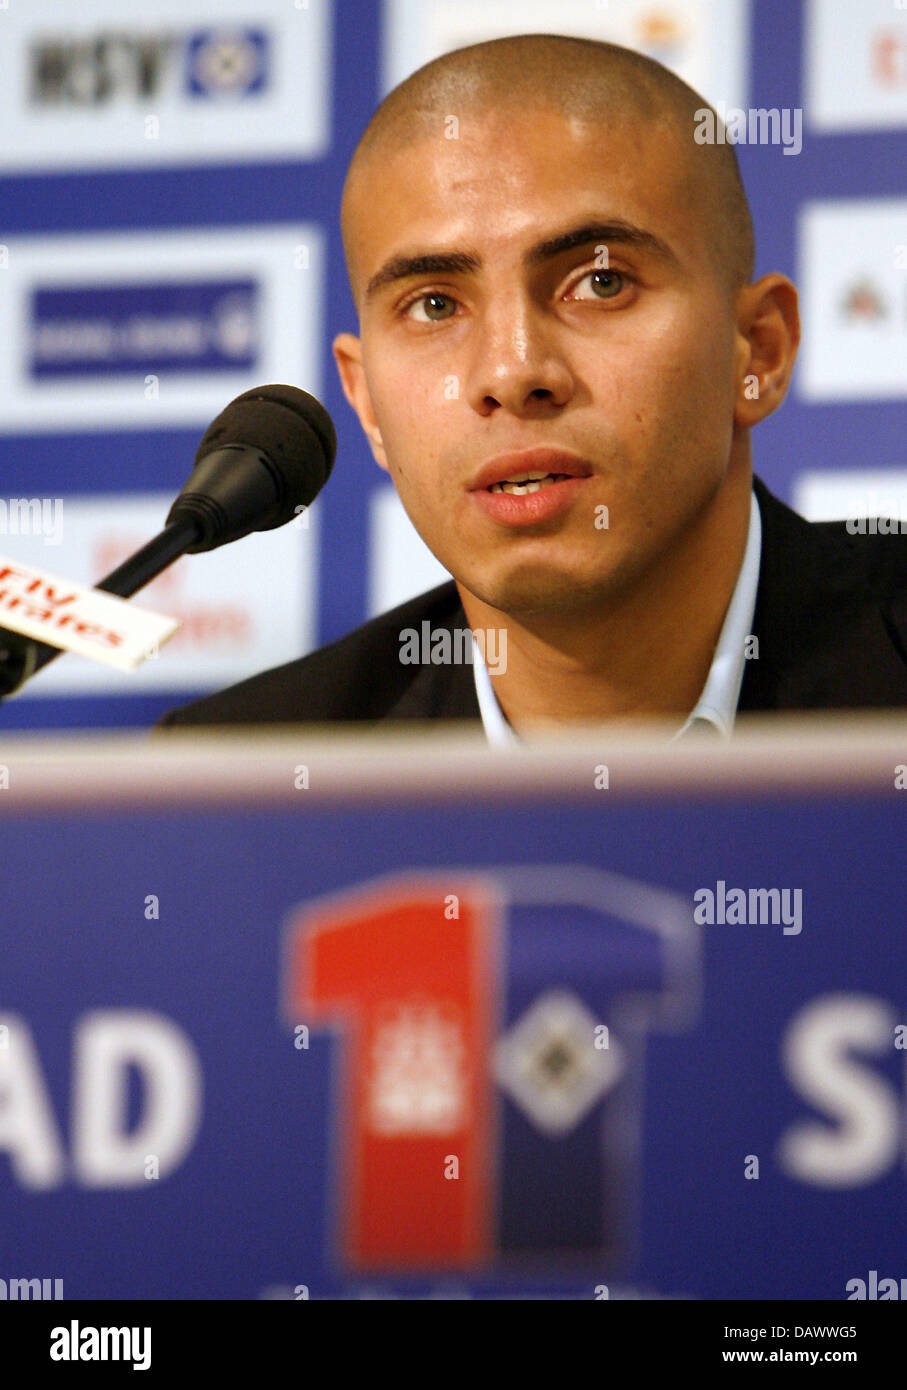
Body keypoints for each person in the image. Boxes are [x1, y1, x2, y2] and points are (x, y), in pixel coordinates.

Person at [158, 34, 907, 739]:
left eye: (600, 283)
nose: (511, 374)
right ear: (367, 406)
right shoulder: (240, 788)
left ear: (760, 352)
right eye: (434, 305)